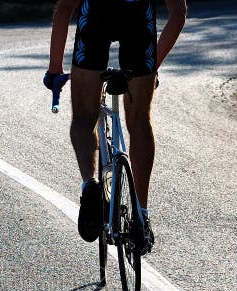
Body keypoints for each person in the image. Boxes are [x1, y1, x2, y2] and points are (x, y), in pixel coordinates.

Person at [44, 0, 187, 253]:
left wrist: (55, 69)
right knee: (140, 122)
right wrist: (152, 67)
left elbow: (64, 8)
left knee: (83, 118)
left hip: (97, 15)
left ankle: (90, 184)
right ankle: (140, 218)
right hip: (137, 18)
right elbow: (178, 14)